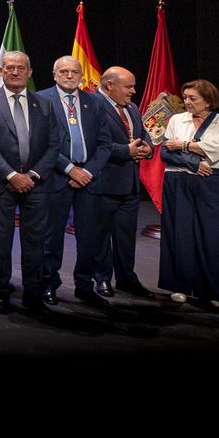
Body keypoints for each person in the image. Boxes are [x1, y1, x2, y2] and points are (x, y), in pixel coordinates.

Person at [0, 52, 61, 313]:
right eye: (10, 68)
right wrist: (11, 175)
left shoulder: (44, 103)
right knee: (0, 242)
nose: (15, 72)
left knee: (35, 243)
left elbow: (54, 144)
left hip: (36, 184)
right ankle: (1, 292)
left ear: (29, 72)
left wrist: (32, 175)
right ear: (1, 71)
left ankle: (33, 294)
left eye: (21, 68)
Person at [152, 79, 219, 308]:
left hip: (211, 182)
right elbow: (165, 153)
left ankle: (209, 291)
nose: (187, 102)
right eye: (185, 97)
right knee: (179, 233)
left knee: (210, 236)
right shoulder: (177, 120)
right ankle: (178, 286)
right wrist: (193, 163)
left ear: (208, 101)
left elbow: (215, 148)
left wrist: (182, 145)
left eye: (192, 98)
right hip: (178, 180)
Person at [38, 55, 111, 306]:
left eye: (74, 72)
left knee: (89, 237)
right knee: (52, 236)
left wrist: (87, 172)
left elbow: (105, 144)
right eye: (64, 71)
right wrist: (70, 169)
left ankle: (84, 286)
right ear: (54, 74)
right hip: (57, 178)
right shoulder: (41, 100)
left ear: (81, 75)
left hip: (89, 180)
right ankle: (48, 283)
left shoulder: (95, 102)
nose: (69, 76)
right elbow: (41, 143)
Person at [93, 66, 154, 297]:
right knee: (101, 236)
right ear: (110, 85)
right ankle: (102, 278)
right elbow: (93, 144)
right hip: (104, 183)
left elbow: (143, 134)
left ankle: (127, 279)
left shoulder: (132, 108)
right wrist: (125, 151)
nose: (133, 91)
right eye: (129, 86)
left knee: (126, 237)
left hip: (130, 185)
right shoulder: (92, 105)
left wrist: (147, 148)